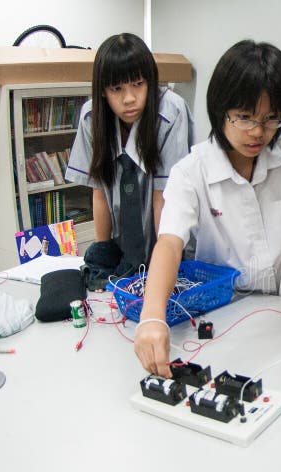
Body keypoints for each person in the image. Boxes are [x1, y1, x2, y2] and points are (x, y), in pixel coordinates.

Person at [133, 40, 281, 378]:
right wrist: (152, 317)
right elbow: (169, 243)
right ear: (220, 110)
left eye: (271, 120)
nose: (258, 133)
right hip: (223, 314)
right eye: (244, 118)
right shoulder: (191, 170)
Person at [66, 33, 193, 290]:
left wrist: (164, 266)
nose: (129, 99)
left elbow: (164, 198)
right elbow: (99, 193)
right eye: (116, 89)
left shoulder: (170, 112)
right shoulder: (92, 117)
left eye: (137, 84)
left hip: (166, 233)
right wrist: (105, 256)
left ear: (151, 82)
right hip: (123, 244)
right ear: (103, 90)